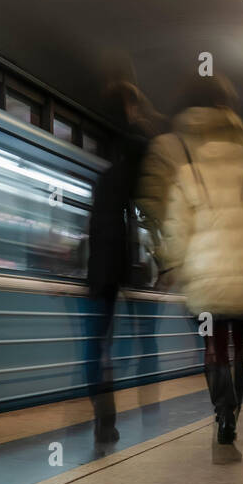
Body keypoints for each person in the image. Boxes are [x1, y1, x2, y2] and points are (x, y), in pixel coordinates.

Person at [138, 76, 243, 448]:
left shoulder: (189, 172)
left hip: (205, 278)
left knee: (213, 348)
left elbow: (177, 229)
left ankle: (223, 413)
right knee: (240, 349)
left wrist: (171, 266)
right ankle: (236, 409)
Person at [84, 82, 161, 443]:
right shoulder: (137, 151)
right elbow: (151, 206)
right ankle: (150, 417)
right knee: (144, 341)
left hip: (101, 267)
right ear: (130, 108)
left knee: (97, 344)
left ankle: (105, 420)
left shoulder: (103, 164)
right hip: (131, 266)